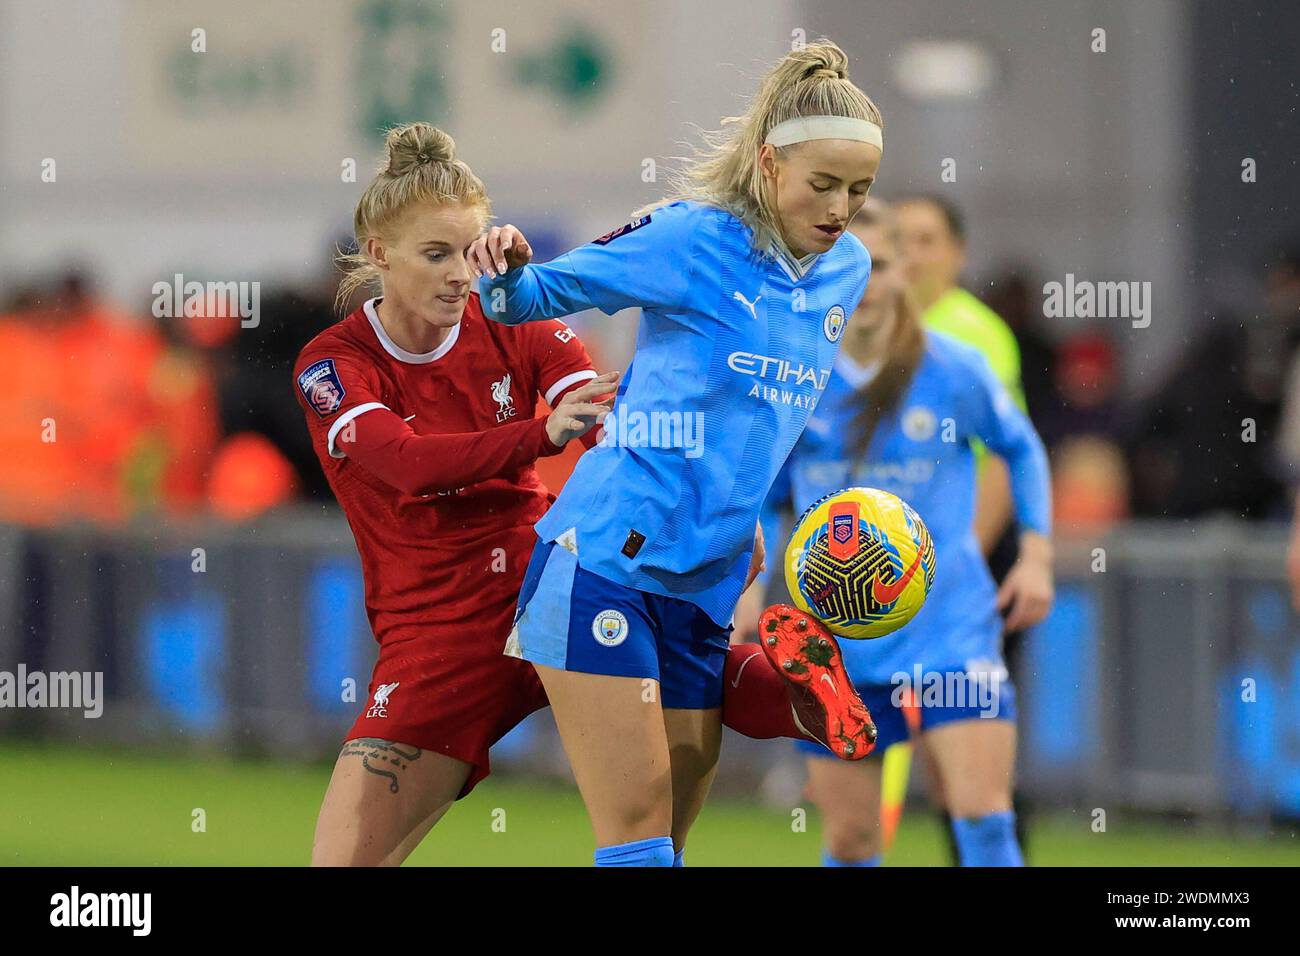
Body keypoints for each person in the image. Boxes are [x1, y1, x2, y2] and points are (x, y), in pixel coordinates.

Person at [471, 40, 884, 866]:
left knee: (671, 839)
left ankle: (785, 688)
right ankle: (776, 688)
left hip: (709, 571)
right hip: (607, 556)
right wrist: (503, 267)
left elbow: (772, 415)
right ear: (769, 164)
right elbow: (536, 295)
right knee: (638, 836)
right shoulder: (692, 239)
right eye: (823, 184)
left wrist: (751, 517)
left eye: (860, 190)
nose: (842, 208)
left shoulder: (849, 270)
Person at [295, 123, 619, 865]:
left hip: (542, 596)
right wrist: (540, 435)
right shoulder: (333, 363)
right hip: (439, 636)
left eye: (466, 255)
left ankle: (801, 687)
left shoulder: (515, 320)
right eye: (434, 254)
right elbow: (406, 464)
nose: (458, 277)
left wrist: (705, 507)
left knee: (684, 669)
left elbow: (609, 422)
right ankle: (764, 681)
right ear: (379, 253)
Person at [746, 200, 1054, 866]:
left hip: (952, 629)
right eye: (842, 267)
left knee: (983, 817)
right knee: (853, 841)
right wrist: (745, 588)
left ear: (901, 272)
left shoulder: (955, 367)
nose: (862, 282)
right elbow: (768, 499)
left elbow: (1021, 447)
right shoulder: (796, 378)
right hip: (837, 645)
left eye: (876, 265)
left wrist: (1035, 554)